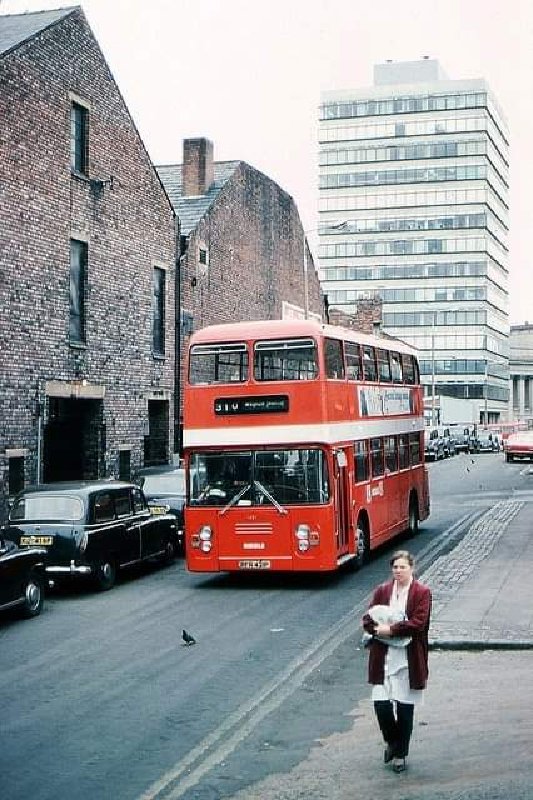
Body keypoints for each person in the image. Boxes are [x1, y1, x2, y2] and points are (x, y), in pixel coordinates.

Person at [362, 550, 431, 773]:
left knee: (404, 708)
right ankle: (392, 742)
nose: (398, 571)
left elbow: (418, 623)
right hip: (383, 657)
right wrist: (375, 628)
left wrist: (390, 629)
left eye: (402, 567)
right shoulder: (382, 591)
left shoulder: (422, 592)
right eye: (395, 567)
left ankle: (400, 755)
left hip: (408, 659)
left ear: (412, 568)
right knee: (381, 705)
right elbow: (367, 620)